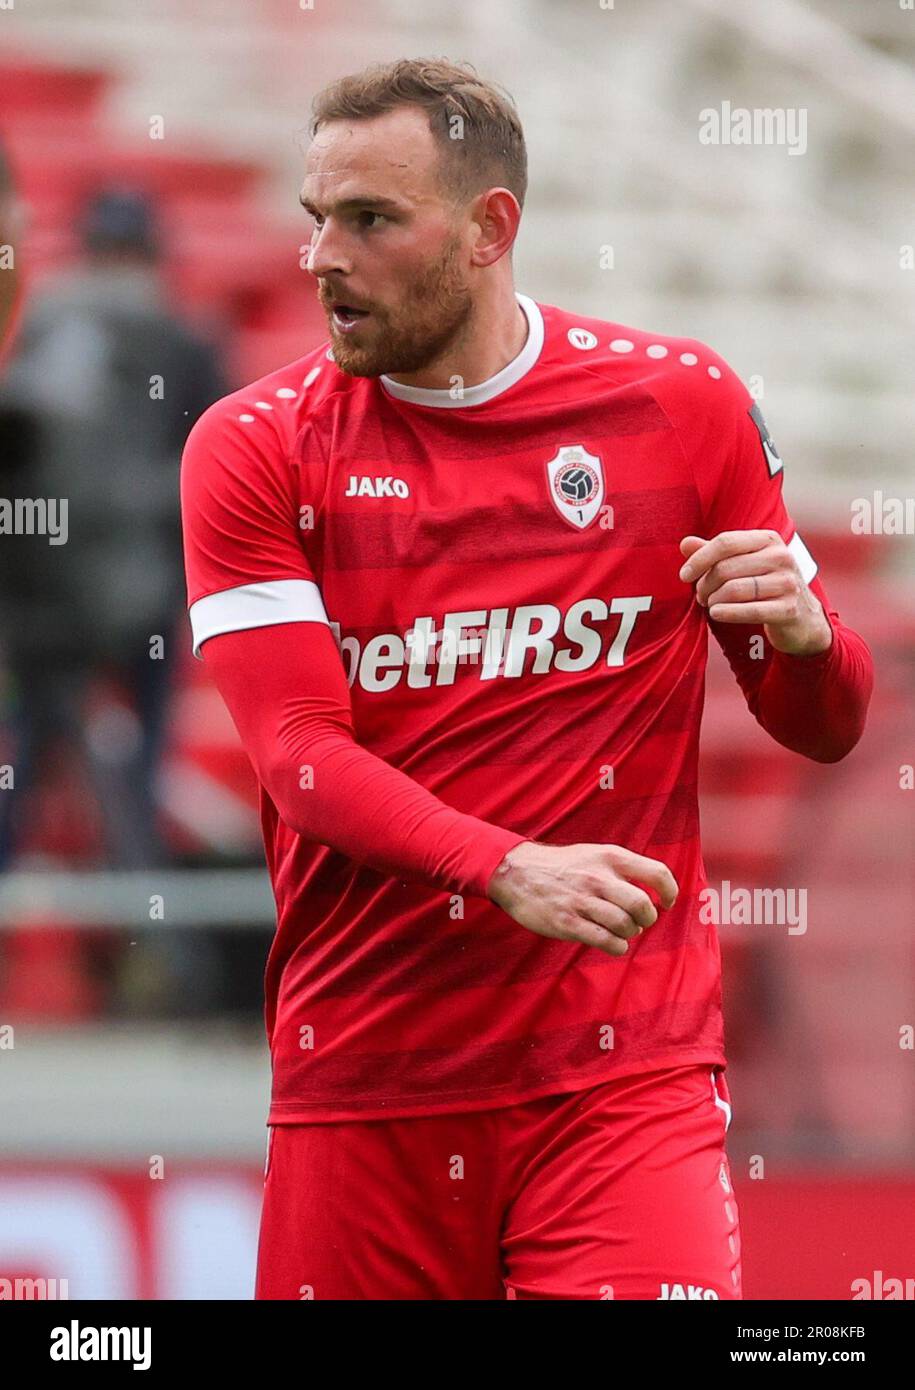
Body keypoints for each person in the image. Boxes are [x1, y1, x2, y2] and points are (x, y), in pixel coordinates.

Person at [180, 59, 873, 1300]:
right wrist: (501, 863)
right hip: (368, 1079)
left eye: (372, 221)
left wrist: (809, 641)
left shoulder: (682, 405)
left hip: (623, 1077)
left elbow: (823, 727)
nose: (323, 258)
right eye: (313, 219)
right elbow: (296, 752)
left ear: (491, 227)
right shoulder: (253, 448)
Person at [0, 188, 225, 868]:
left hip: (54, 587)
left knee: (33, 750)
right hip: (136, 585)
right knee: (131, 763)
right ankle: (144, 927)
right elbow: (215, 460)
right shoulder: (180, 334)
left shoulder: (46, 323)